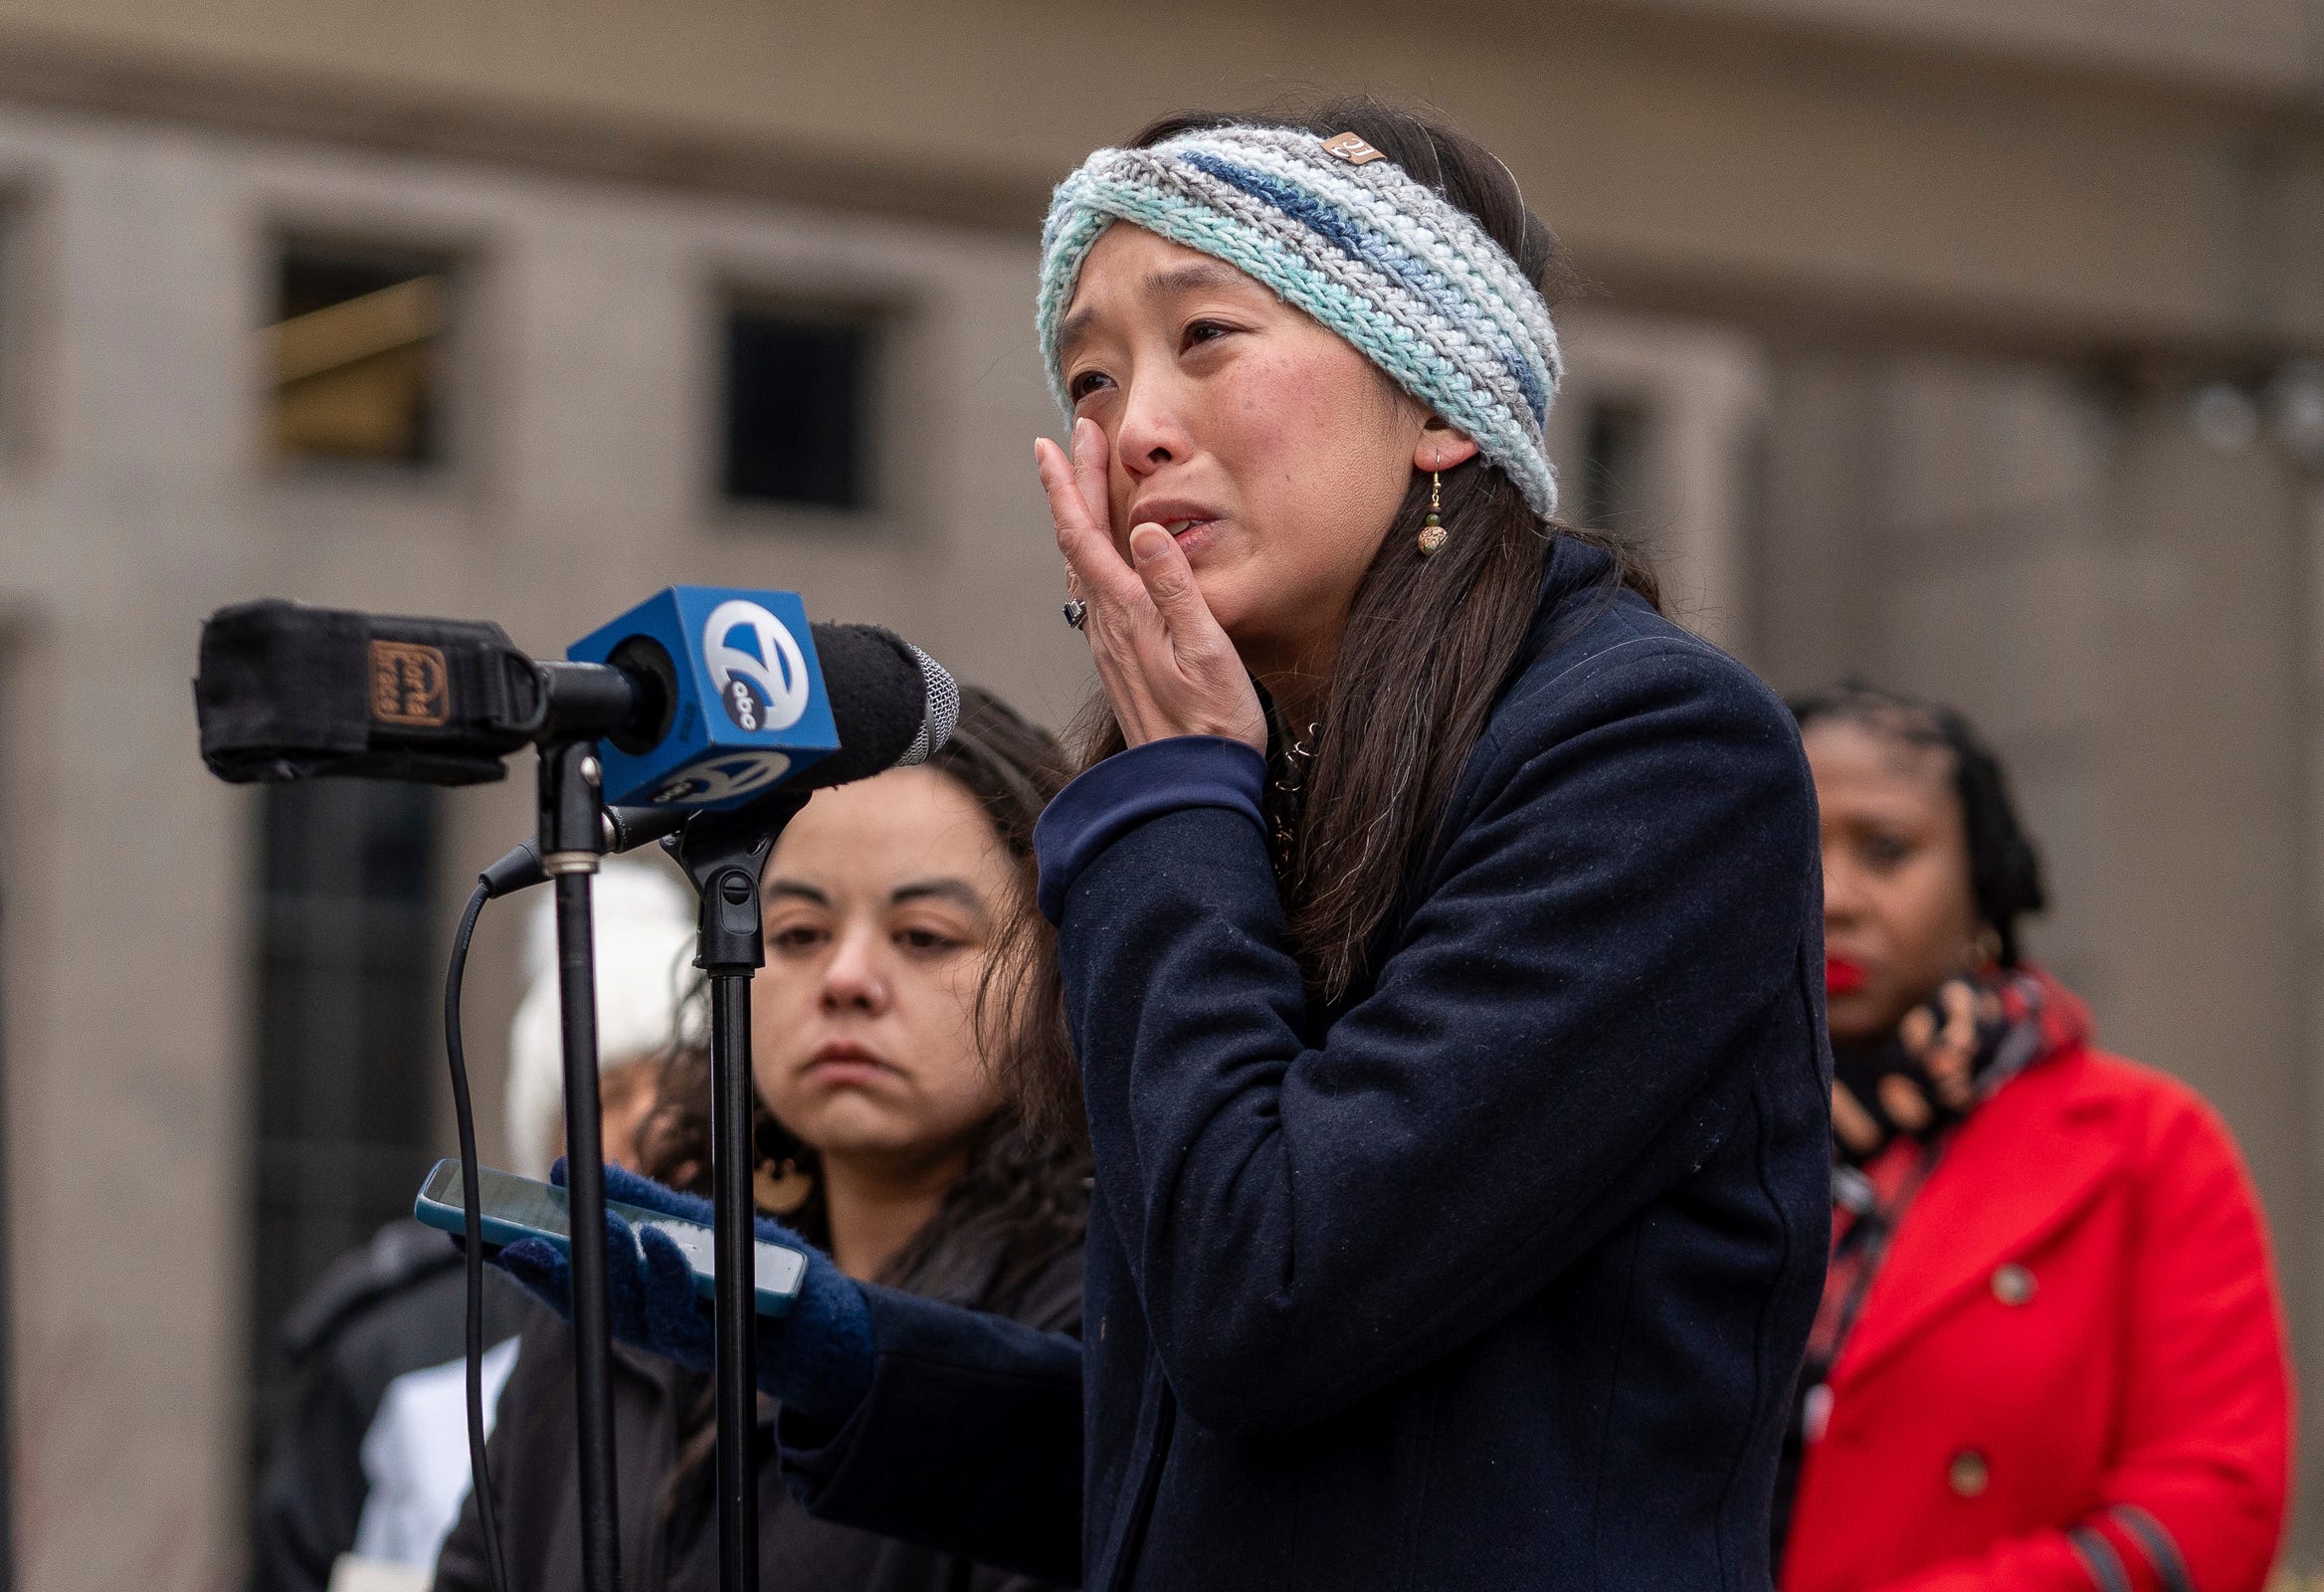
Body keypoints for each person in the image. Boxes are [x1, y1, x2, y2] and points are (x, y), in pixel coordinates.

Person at [546, 97, 1832, 1590]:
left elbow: (1271, 1298)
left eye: (1206, 336)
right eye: (1089, 373)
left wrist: (1173, 805)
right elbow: (1230, 1464)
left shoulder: (1653, 756)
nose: (1130, 424)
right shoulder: (1254, 773)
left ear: (1438, 403)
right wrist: (848, 1353)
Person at [437, 686, 1088, 1592]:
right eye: (800, 932)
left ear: (1059, 967)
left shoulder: (1107, 1317)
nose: (848, 978)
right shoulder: (635, 1278)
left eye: (925, 936)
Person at [1775, 684, 2290, 1592]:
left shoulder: (2148, 1145)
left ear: (1986, 888)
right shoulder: (1664, 1126)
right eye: (1792, 847)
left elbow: (2214, 1511)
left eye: (1886, 850)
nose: (1836, 896)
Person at [251, 865, 698, 1592]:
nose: (655, 1122)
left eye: (685, 1089)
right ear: (547, 1135)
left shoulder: (776, 1336)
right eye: (611, 1092)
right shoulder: (400, 1347)